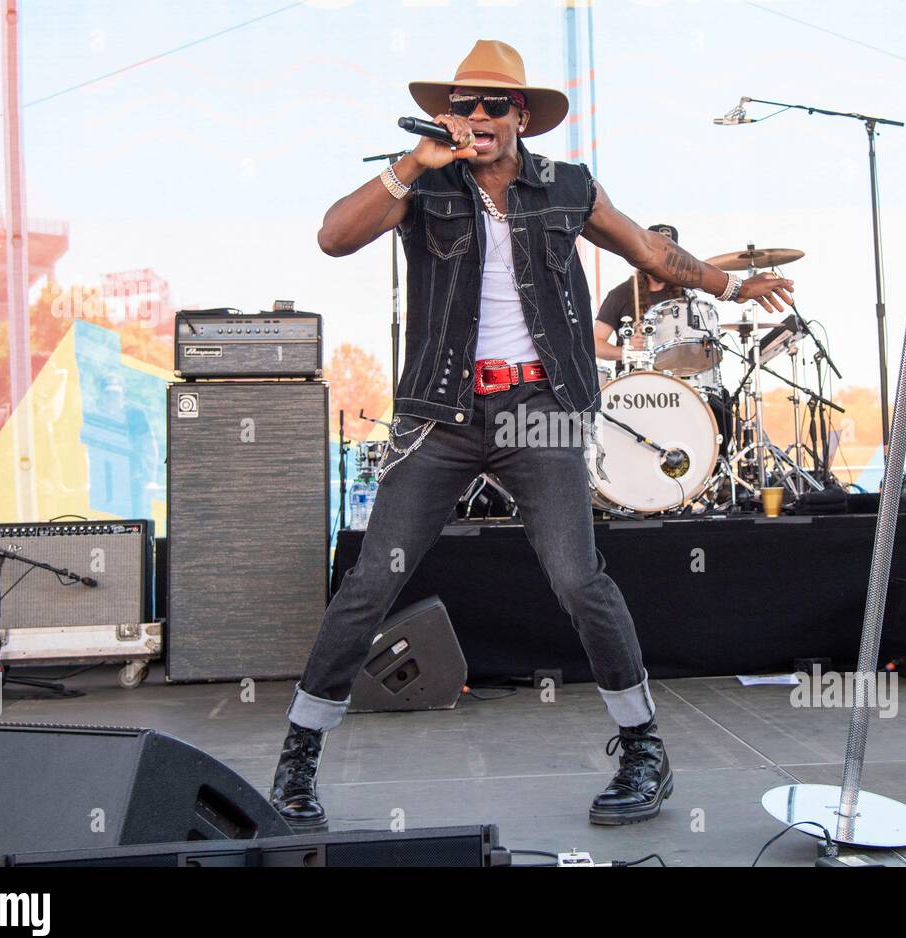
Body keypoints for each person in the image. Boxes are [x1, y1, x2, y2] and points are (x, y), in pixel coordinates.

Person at [270, 39, 794, 830]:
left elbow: (648, 250)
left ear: (522, 116)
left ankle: (643, 746)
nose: (477, 116)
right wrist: (413, 163)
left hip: (542, 410)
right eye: (464, 104)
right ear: (448, 113)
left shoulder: (567, 189)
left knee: (580, 578)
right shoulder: (420, 182)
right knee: (374, 579)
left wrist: (730, 283)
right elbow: (334, 237)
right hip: (442, 416)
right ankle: (299, 760)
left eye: (494, 105)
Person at [593, 223, 686, 373]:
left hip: (675, 379)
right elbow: (595, 344)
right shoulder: (622, 293)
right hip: (633, 382)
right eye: (658, 253)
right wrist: (627, 351)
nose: (663, 260)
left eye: (669, 255)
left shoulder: (685, 296)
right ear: (645, 254)